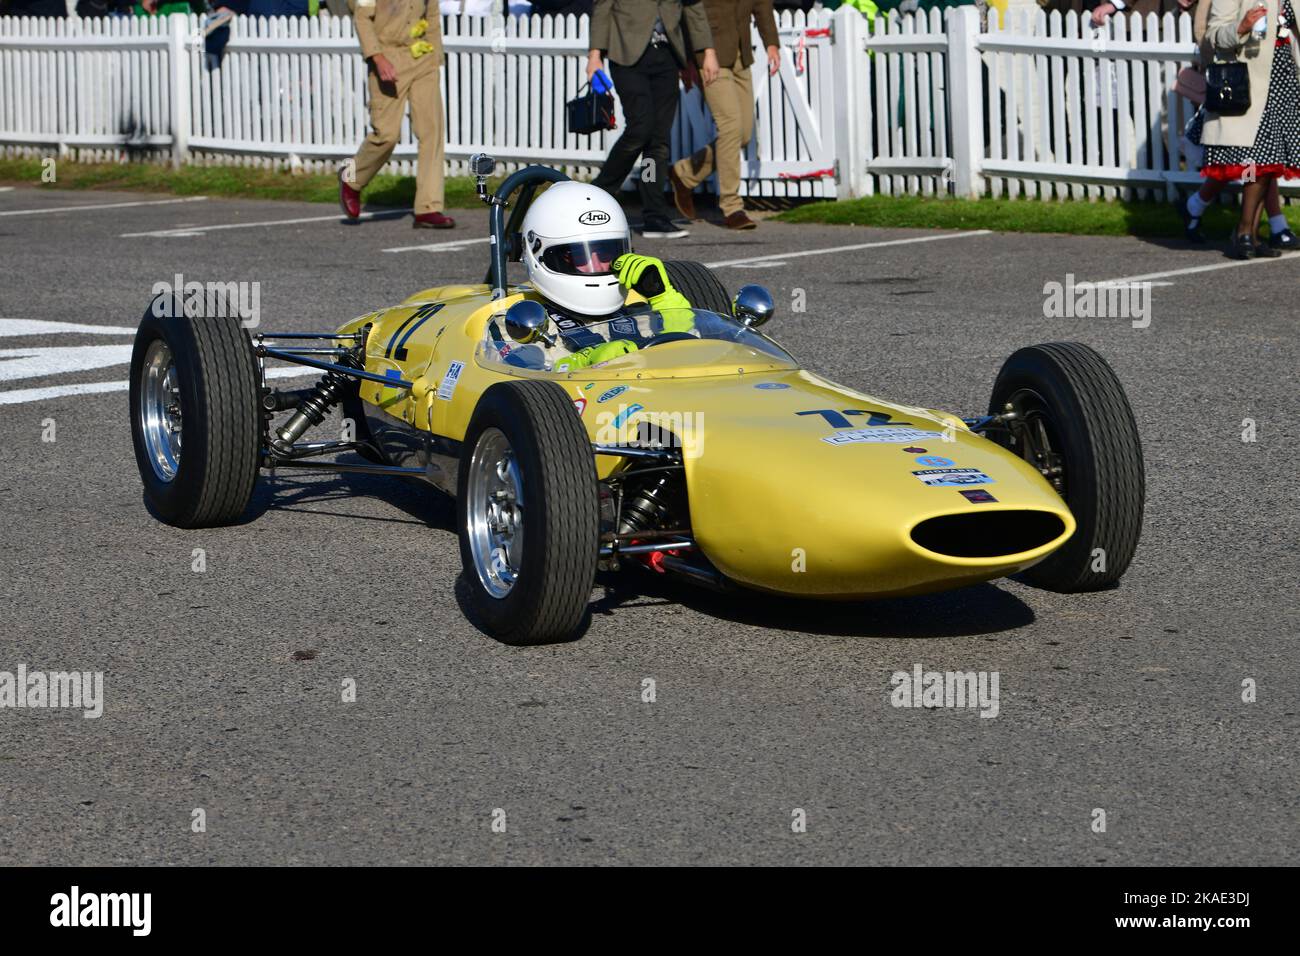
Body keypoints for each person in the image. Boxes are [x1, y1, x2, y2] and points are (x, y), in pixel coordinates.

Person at [486, 181, 698, 371]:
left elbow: (691, 350)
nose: (597, 264)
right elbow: (526, 382)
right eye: (580, 255)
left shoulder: (639, 311)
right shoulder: (519, 322)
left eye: (608, 253)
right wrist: (587, 361)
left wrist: (663, 298)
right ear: (543, 255)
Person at [587, 0, 721, 239]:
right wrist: (594, 55)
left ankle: (654, 216)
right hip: (627, 54)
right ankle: (598, 193)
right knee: (640, 129)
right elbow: (603, 7)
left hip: (668, 57)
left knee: (658, 140)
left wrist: (706, 52)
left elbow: (693, 8)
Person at [1179, 0, 1297, 246]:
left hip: (1283, 81)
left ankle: (1250, 233)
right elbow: (1213, 35)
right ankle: (1245, 232)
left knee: (1266, 163)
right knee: (1256, 162)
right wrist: (1241, 27)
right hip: (1247, 85)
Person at [339, 0, 454, 229]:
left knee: (431, 131)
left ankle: (428, 208)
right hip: (387, 55)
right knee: (386, 135)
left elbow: (431, 14)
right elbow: (362, 17)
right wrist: (377, 57)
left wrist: (435, 55)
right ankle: (351, 178)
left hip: (422, 57)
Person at [668, 0, 780, 230]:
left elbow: (762, 5)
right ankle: (731, 207)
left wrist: (771, 43)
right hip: (710, 57)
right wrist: (693, 57)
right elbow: (690, 12)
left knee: (743, 134)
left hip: (741, 55)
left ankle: (684, 173)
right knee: (730, 127)